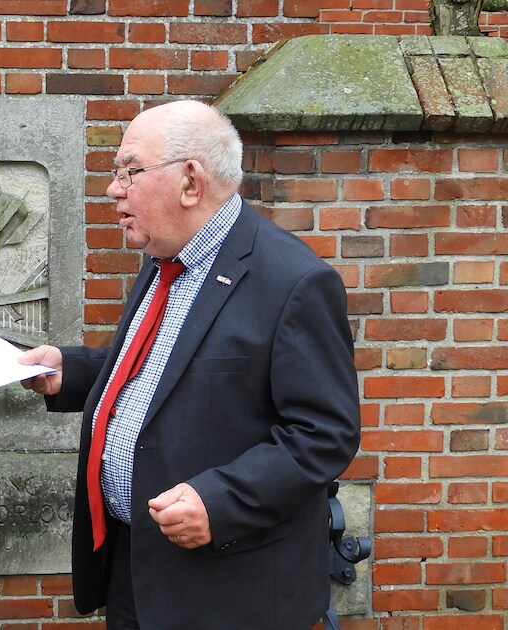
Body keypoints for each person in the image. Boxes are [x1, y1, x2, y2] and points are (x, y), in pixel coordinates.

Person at [18, 100, 360, 629]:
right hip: (135, 571)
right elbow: (171, 369)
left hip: (227, 594)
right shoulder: (165, 260)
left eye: (129, 171)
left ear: (190, 183)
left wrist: (222, 501)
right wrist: (76, 371)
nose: (113, 189)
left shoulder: (293, 282)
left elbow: (324, 433)